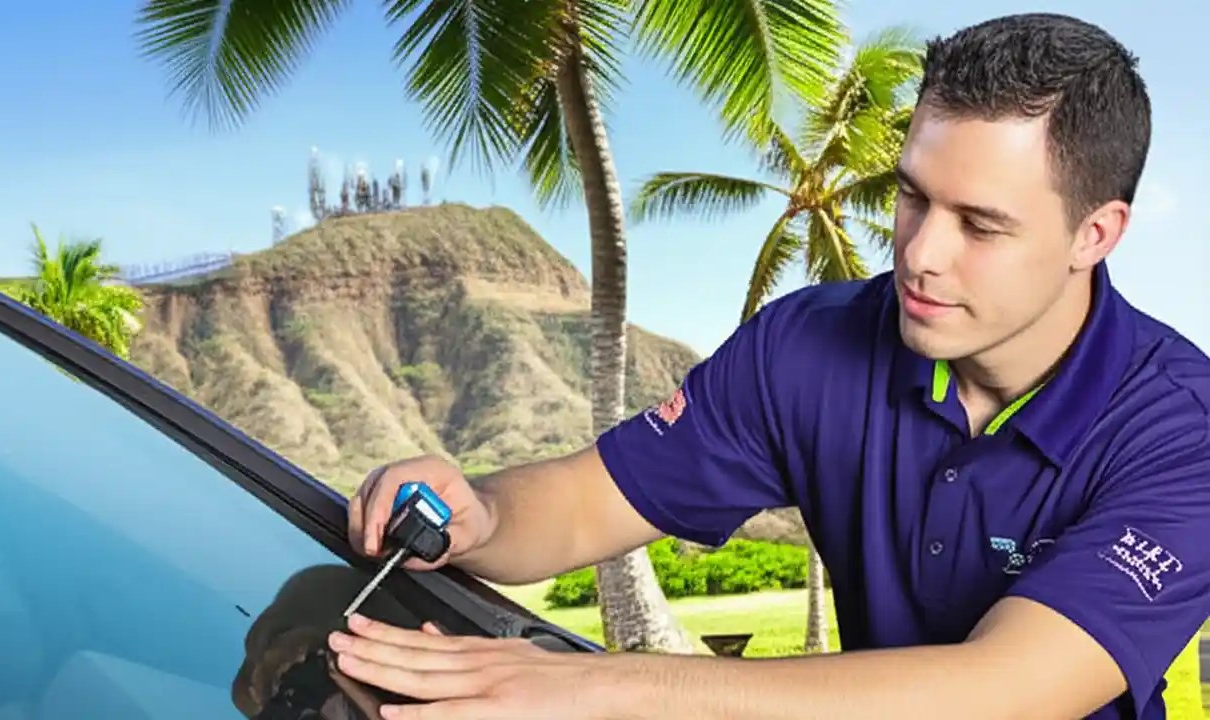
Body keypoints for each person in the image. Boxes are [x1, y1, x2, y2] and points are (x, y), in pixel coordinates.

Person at [328, 12, 1210, 720]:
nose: (918, 253)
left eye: (980, 225)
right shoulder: (806, 345)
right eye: (911, 195)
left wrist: (600, 683)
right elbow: (589, 500)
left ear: (1095, 234)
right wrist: (483, 511)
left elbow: (1007, 688)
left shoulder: (1183, 431)